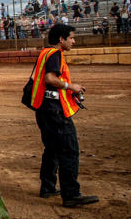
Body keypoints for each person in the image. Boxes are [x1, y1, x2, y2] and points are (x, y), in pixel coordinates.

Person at [29, 23, 98, 207]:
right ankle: (71, 194)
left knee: (52, 149)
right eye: (71, 38)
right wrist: (71, 86)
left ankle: (48, 187)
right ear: (61, 39)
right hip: (55, 111)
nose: (73, 41)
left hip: (43, 109)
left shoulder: (45, 53)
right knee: (69, 149)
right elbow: (50, 78)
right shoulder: (55, 54)